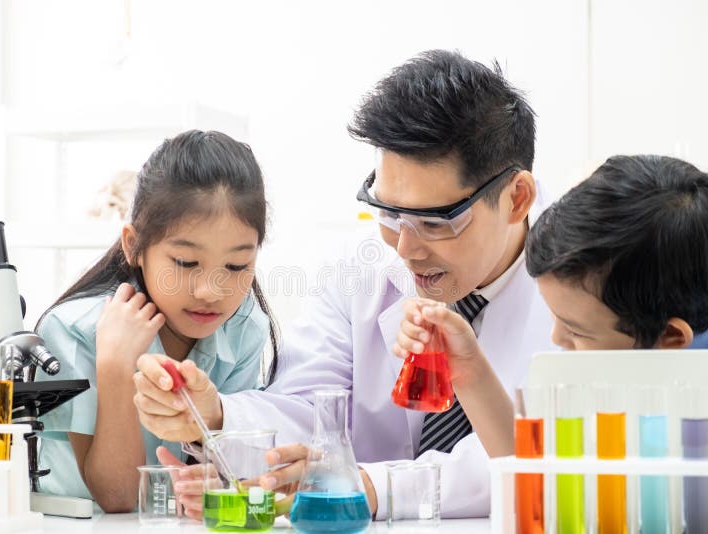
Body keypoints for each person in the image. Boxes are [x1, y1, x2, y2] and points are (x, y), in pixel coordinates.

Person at [134, 49, 557, 519]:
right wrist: (215, 415)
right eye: (389, 212)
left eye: (436, 222)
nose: (405, 248)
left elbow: (544, 455)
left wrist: (372, 487)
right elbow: (310, 410)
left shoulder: (579, 291)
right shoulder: (359, 270)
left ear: (516, 198)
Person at [395, 154, 708, 454]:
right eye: (556, 317)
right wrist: (469, 369)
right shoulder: (602, 376)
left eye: (577, 331)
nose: (556, 337)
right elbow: (530, 462)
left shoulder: (690, 422)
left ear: (670, 337)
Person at [34, 130, 278, 512]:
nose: (210, 291)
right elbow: (118, 497)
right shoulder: (73, 330)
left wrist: (218, 475)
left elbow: (226, 477)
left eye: (236, 265)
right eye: (185, 263)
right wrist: (115, 367)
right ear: (134, 245)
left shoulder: (243, 328)